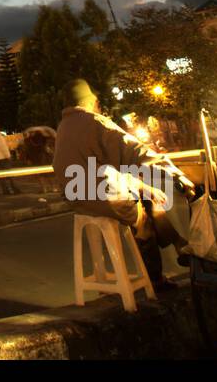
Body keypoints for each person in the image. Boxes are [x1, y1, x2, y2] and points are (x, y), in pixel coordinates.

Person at [53, 79, 196, 291]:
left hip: (77, 197)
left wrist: (143, 186)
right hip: (102, 198)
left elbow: (97, 171)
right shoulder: (96, 123)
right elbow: (135, 151)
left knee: (147, 193)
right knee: (145, 216)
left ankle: (179, 242)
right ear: (90, 101)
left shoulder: (63, 127)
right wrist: (174, 174)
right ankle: (157, 279)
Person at [0, 127, 21, 194]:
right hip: (3, 158)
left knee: (1, 176)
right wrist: (8, 156)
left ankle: (5, 190)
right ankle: (15, 189)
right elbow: (3, 147)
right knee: (9, 174)